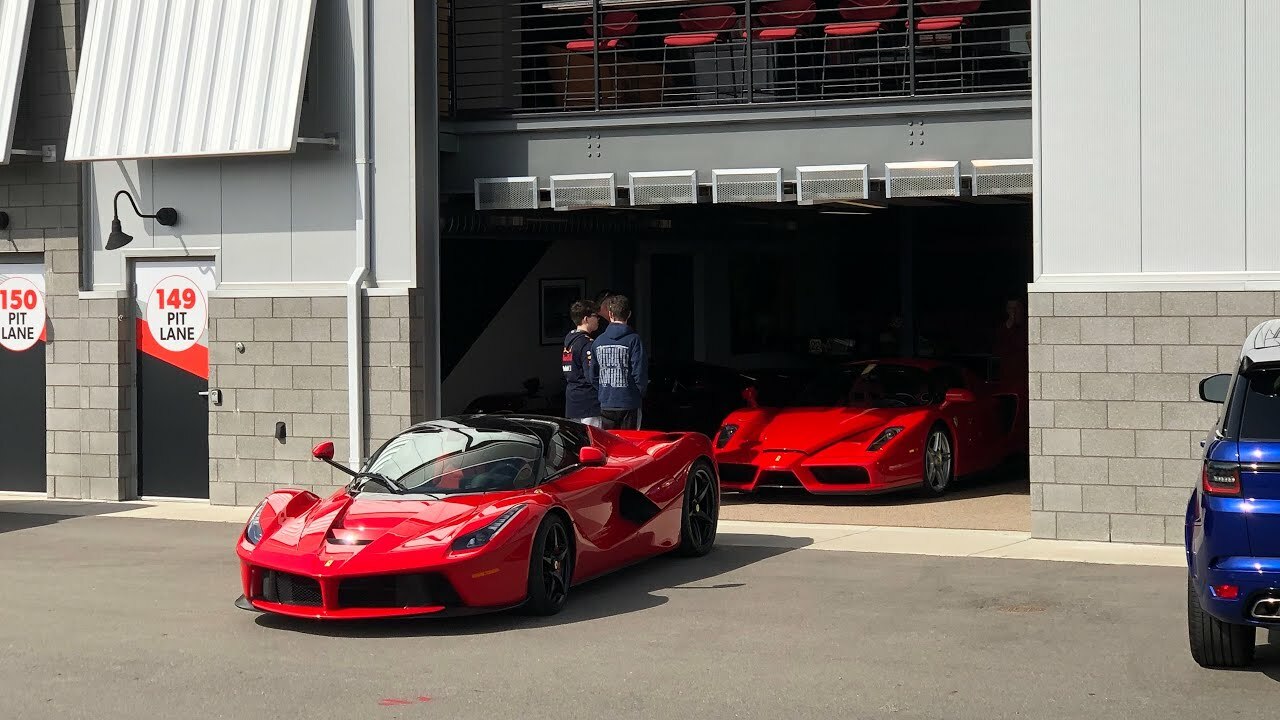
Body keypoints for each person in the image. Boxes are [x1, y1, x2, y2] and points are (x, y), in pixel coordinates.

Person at [588, 294, 648, 430]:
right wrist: (637, 394)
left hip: (606, 403)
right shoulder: (634, 340)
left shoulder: (598, 341)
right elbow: (640, 372)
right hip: (629, 402)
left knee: (608, 441)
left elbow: (593, 375)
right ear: (629, 314)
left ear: (610, 314)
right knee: (629, 441)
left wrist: (604, 391)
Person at [562, 299, 602, 427]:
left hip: (572, 399)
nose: (598, 319)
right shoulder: (586, 343)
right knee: (592, 437)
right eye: (595, 316)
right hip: (588, 402)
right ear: (586, 319)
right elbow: (591, 375)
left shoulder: (569, 340)